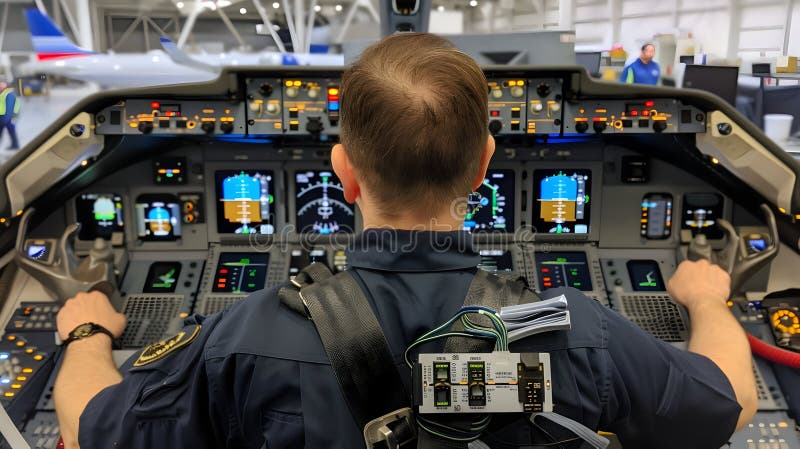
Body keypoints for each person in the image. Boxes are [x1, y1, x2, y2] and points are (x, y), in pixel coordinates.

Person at [54, 33, 756, 449]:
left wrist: (88, 330)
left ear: (344, 172)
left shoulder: (240, 340)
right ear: (484, 166)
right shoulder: (576, 331)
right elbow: (727, 404)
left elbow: (92, 427)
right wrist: (706, 300)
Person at [0, 81, 20, 150]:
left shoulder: (9, 95)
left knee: (10, 130)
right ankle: (15, 144)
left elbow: (9, 108)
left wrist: (5, 119)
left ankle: (15, 145)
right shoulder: (3, 94)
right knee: (11, 130)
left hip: (7, 117)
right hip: (4, 116)